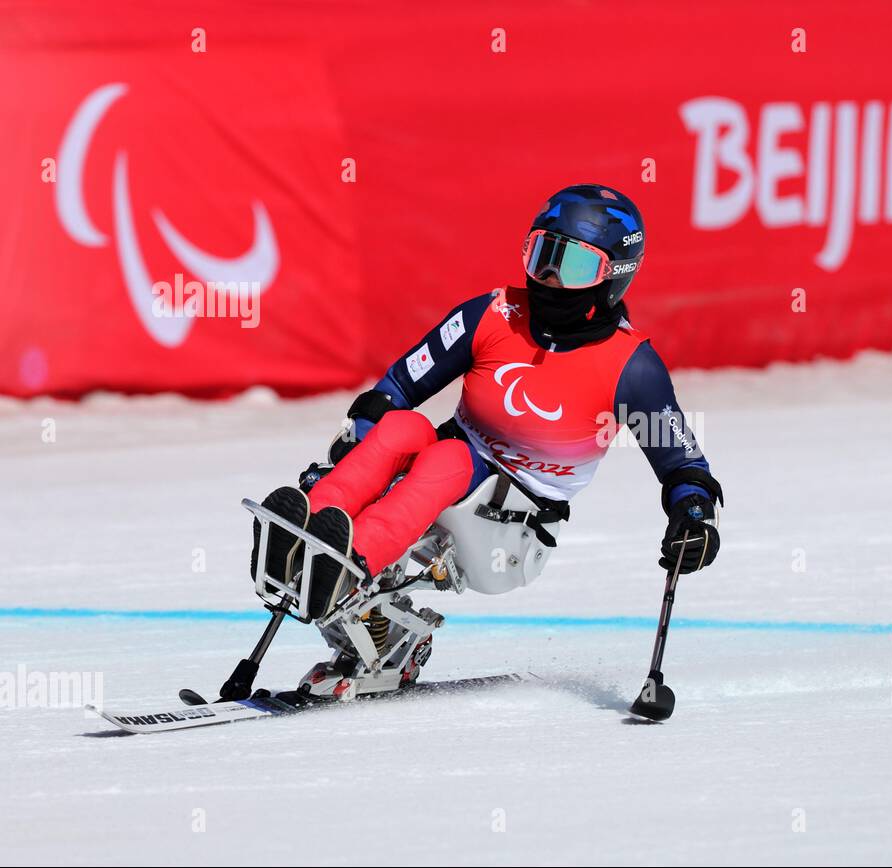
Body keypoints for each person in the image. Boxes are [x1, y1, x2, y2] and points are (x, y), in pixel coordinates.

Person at [250, 184, 723, 619]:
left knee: (446, 457)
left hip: (516, 525)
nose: (552, 279)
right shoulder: (494, 314)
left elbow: (682, 463)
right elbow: (398, 387)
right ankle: (307, 523)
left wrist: (693, 516)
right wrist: (362, 449)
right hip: (450, 468)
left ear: (613, 277)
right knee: (401, 430)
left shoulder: (632, 367)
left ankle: (349, 566)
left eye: (573, 266)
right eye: (543, 256)